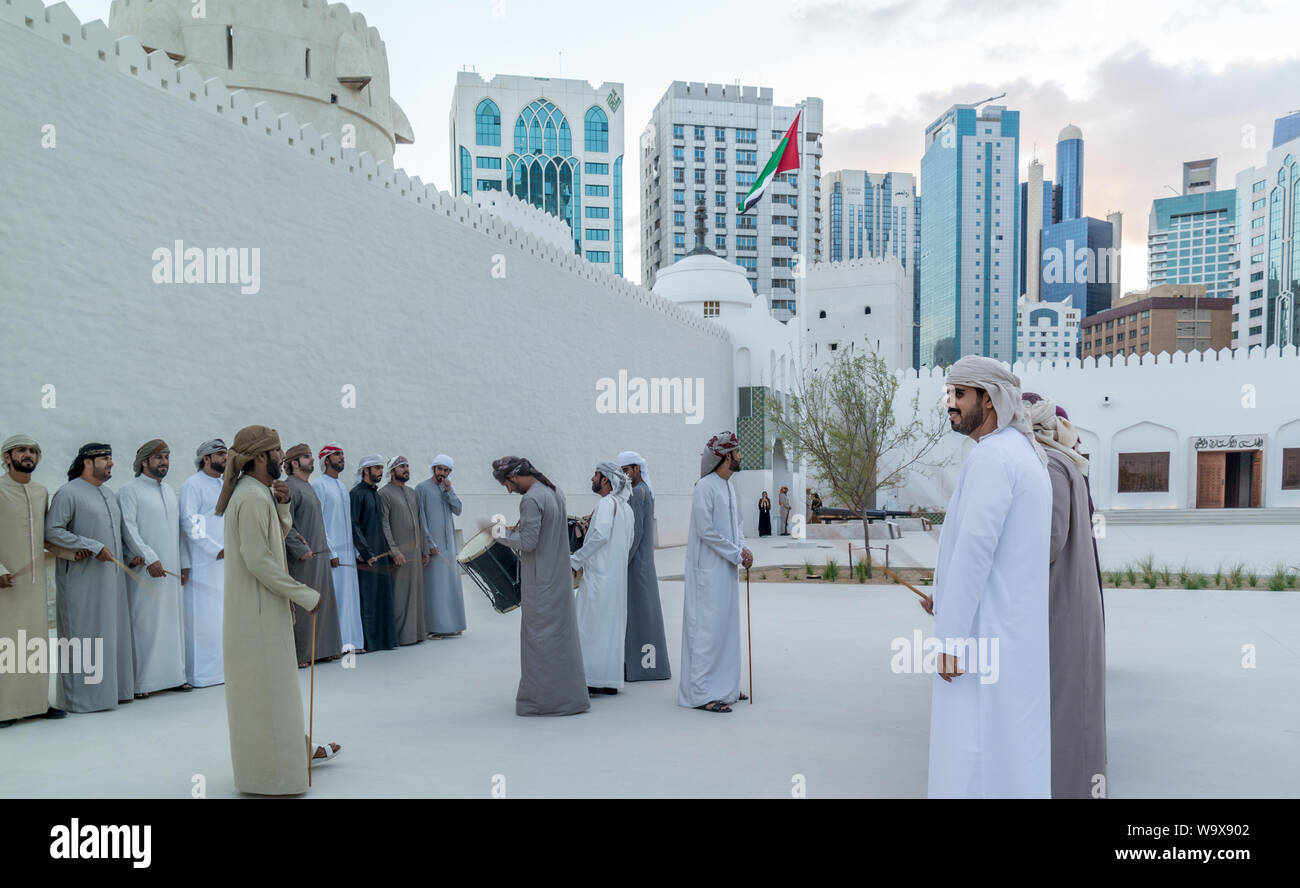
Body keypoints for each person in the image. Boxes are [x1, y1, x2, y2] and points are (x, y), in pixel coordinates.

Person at [923, 356, 1051, 798]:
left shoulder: (994, 458)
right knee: (1012, 753)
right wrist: (943, 597)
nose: (950, 405)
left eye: (960, 395)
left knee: (971, 753)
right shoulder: (1023, 454)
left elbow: (974, 552)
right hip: (1013, 638)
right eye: (949, 394)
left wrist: (951, 639)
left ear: (990, 400)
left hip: (983, 640)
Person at [215, 425, 340, 795]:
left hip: (262, 612)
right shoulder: (251, 498)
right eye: (277, 451)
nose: (281, 457)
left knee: (273, 697)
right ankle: (274, 778)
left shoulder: (257, 493)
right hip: (257, 616)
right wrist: (305, 595)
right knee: (268, 698)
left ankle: (290, 757)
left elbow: (275, 536)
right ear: (259, 457)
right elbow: (259, 561)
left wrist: (283, 506)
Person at [1023, 393, 1107, 799]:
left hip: (1061, 604)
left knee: (1066, 709)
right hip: (1068, 599)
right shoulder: (1064, 463)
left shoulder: (1052, 467)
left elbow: (1049, 543)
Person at [491, 456, 589, 717]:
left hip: (540, 581)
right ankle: (570, 699)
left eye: (507, 485)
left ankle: (540, 702)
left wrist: (498, 533)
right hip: (558, 578)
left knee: (539, 641)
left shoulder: (532, 498)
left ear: (514, 476)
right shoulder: (555, 492)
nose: (509, 490)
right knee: (561, 639)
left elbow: (529, 542)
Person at [44, 443, 135, 712]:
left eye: (111, 457)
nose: (111, 463)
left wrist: (134, 555)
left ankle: (112, 692)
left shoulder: (109, 494)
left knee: (110, 632)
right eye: (105, 458)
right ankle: (79, 699)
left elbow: (121, 534)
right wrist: (93, 546)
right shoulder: (68, 492)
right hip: (81, 581)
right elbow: (52, 531)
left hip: (111, 579)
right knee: (83, 635)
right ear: (87, 462)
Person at [678, 431, 752, 714]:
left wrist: (743, 549)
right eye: (737, 451)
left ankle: (725, 687)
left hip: (726, 571)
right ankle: (700, 694)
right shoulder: (705, 487)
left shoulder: (729, 487)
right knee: (705, 631)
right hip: (707, 573)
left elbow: (738, 527)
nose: (740, 456)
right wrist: (735, 553)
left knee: (725, 629)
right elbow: (707, 531)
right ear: (726, 456)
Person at [0, 435, 68, 727]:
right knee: (6, 642)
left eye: (32, 451)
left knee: (36, 640)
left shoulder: (41, 492)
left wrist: (78, 551)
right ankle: (4, 708)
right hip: (6, 582)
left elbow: (48, 535)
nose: (28, 455)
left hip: (36, 581)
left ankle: (37, 704)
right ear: (6, 457)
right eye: (21, 450)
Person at [118, 439, 190, 698]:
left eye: (167, 457)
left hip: (170, 570)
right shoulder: (129, 490)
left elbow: (178, 531)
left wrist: (184, 563)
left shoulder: (170, 491)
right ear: (144, 462)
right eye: (159, 457)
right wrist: (150, 558)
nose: (164, 462)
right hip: (145, 571)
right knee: (146, 623)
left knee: (172, 621)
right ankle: (144, 683)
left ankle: (175, 676)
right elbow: (129, 528)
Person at [571, 462, 635, 696]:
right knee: (611, 629)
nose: (592, 478)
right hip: (617, 580)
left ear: (605, 480)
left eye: (595, 475)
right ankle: (609, 680)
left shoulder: (606, 504)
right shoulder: (626, 509)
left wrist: (576, 559)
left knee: (589, 627)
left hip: (599, 577)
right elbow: (628, 542)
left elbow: (599, 535)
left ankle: (589, 679)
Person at [282, 444, 343, 667]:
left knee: (323, 603)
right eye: (306, 457)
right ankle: (302, 654)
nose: (311, 460)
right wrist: (300, 549)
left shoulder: (308, 487)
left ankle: (324, 649)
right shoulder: (289, 487)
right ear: (294, 463)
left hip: (319, 554)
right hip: (303, 558)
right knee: (303, 604)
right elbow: (285, 524)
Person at [616, 450, 671, 682]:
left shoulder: (638, 493)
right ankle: (644, 666)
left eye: (627, 470)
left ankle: (640, 668)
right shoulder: (645, 491)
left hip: (636, 564)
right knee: (643, 613)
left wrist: (621, 561)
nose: (624, 475)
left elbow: (635, 534)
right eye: (621, 471)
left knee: (637, 615)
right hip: (643, 563)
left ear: (638, 469)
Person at [179, 439, 227, 688]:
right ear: (206, 459)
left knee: (221, 619)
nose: (225, 458)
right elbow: (189, 522)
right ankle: (199, 676)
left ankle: (220, 672)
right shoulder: (192, 485)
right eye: (220, 454)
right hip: (203, 563)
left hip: (225, 561)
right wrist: (214, 548)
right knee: (202, 621)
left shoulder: (223, 485)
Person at [310, 443, 365, 653]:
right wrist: (331, 551)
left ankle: (353, 642)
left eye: (342, 454)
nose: (342, 458)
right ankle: (338, 642)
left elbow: (347, 524)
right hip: (333, 554)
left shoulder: (342, 487)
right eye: (337, 455)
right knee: (338, 597)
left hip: (348, 554)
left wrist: (356, 551)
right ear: (326, 460)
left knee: (350, 598)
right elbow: (320, 522)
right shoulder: (319, 485)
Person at [350, 454, 397, 652]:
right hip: (366, 557)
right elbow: (354, 525)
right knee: (368, 598)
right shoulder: (357, 494)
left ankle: (384, 641)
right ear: (365, 471)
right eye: (376, 468)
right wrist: (365, 553)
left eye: (380, 468)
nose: (380, 472)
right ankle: (369, 642)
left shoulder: (375, 494)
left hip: (380, 555)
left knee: (382, 597)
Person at [379, 455, 427, 646]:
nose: (406, 469)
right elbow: (384, 525)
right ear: (392, 472)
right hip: (399, 554)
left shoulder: (412, 492)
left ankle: (416, 634)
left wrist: (424, 550)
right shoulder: (384, 494)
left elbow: (419, 522)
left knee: (416, 594)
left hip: (415, 552)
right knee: (400, 595)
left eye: (407, 466)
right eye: (401, 467)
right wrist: (394, 550)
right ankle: (401, 636)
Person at [416, 455, 465, 638]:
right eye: (439, 469)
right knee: (436, 587)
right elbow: (421, 518)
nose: (442, 474)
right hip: (434, 547)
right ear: (433, 469)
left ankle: (454, 623)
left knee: (451, 585)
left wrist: (449, 491)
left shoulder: (447, 488)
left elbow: (458, 510)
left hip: (449, 545)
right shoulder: (422, 488)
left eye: (446, 470)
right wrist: (429, 543)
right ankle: (436, 626)